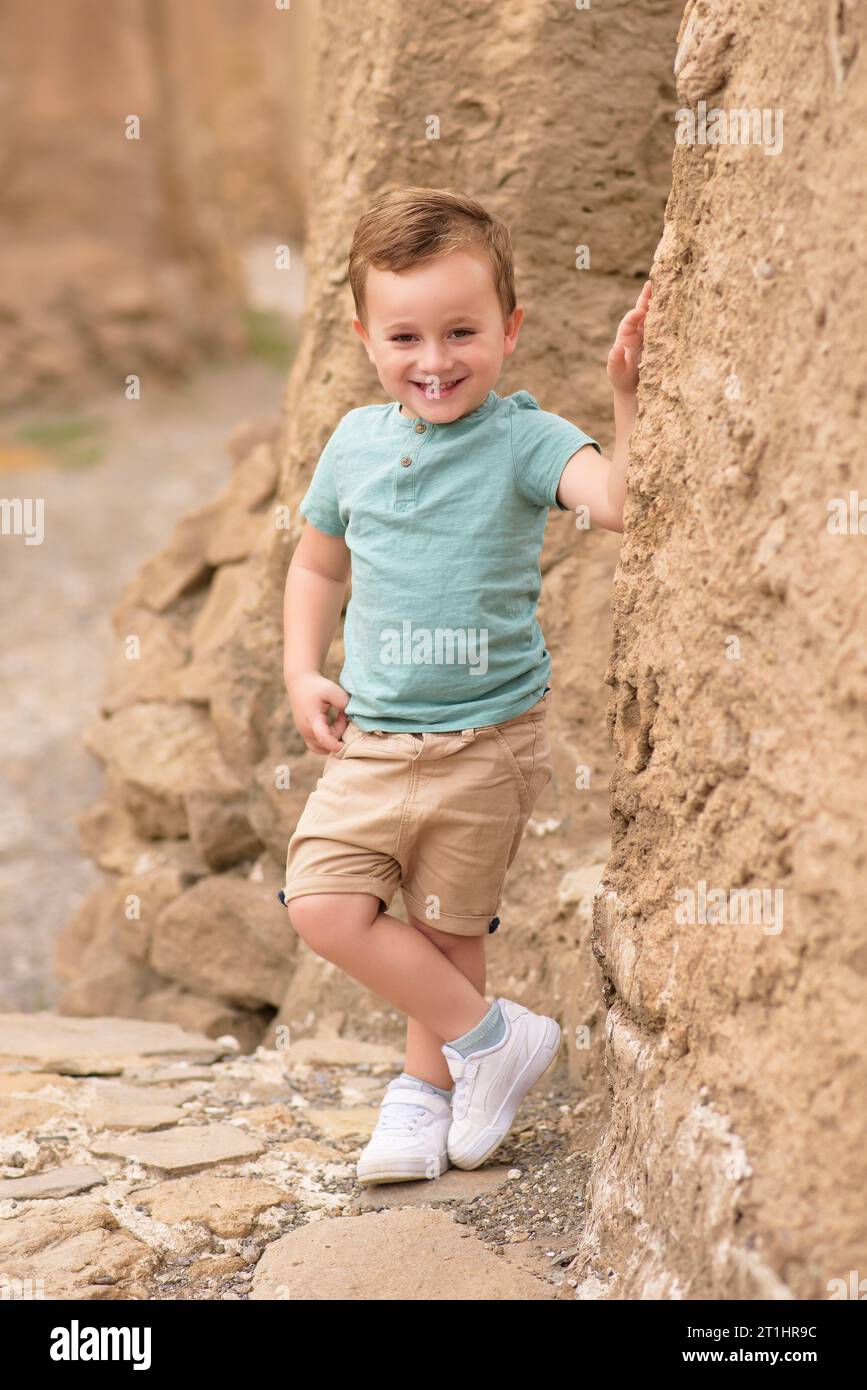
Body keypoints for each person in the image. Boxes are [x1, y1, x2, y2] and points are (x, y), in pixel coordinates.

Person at [280, 186, 650, 1184]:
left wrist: (626, 396)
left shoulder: (524, 440)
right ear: (365, 338)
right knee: (323, 903)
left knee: (447, 929)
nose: (434, 359)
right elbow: (317, 565)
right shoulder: (354, 444)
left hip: (488, 739)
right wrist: (302, 666)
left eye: (461, 331)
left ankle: (426, 1092)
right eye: (406, 335)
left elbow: (615, 501)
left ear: (510, 329)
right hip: (374, 738)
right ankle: (493, 1040)